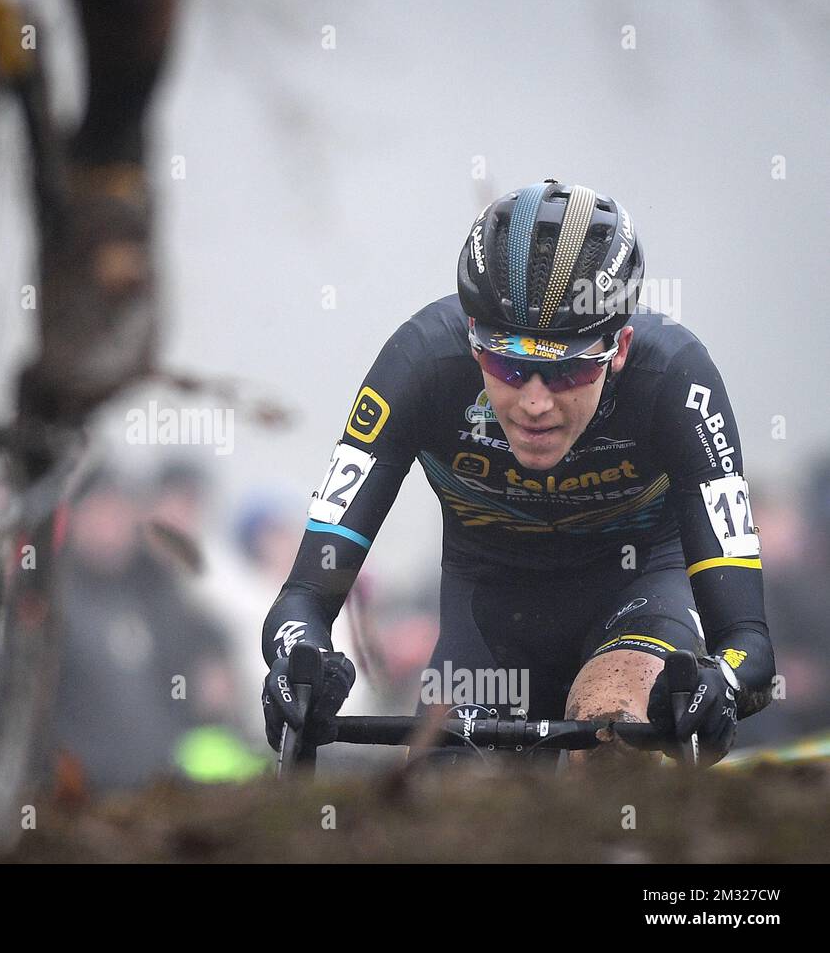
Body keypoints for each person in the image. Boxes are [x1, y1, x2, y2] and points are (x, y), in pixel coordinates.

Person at [261, 180, 775, 767]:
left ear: (621, 347)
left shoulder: (679, 381)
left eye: (566, 372)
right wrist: (301, 657)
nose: (534, 402)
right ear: (476, 345)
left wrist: (722, 685)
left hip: (639, 598)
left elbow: (749, 644)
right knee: (452, 812)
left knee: (615, 734)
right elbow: (303, 596)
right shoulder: (420, 365)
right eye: (509, 363)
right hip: (488, 616)